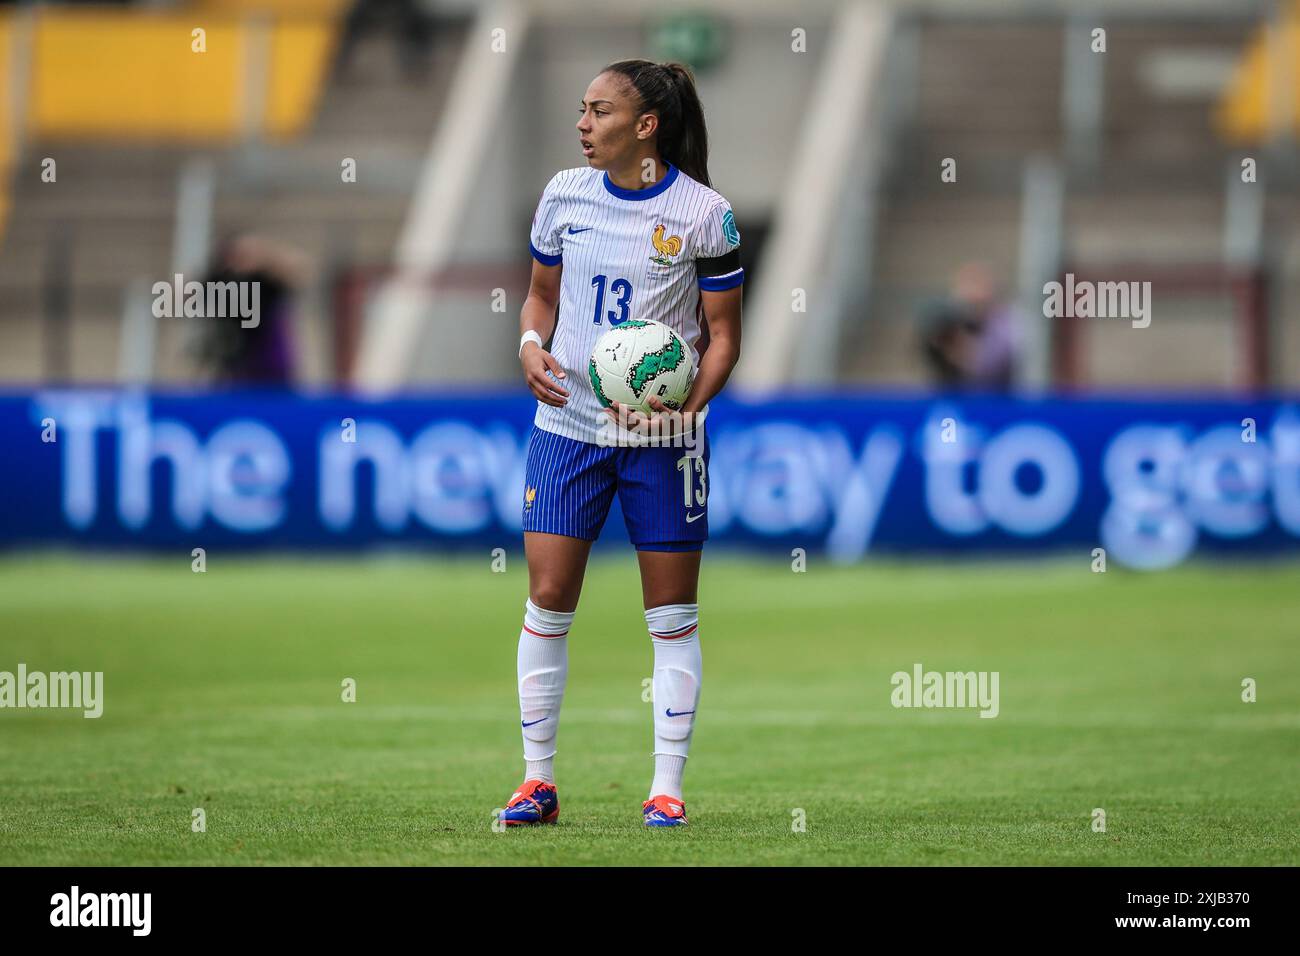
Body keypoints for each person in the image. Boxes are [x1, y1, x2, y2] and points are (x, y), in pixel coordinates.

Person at [501, 60, 744, 829]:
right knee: (546, 598)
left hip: (661, 441)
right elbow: (540, 296)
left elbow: (724, 338)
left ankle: (666, 789)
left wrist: (685, 414)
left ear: (645, 127)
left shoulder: (705, 214)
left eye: (599, 110)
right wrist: (531, 343)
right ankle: (538, 781)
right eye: (581, 108)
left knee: (671, 614)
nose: (582, 122)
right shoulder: (562, 196)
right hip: (568, 425)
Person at [920, 262, 1023, 392]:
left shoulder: (1005, 322)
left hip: (998, 401)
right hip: (957, 397)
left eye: (975, 286)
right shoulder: (953, 321)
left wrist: (961, 350)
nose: (971, 296)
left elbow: (994, 362)